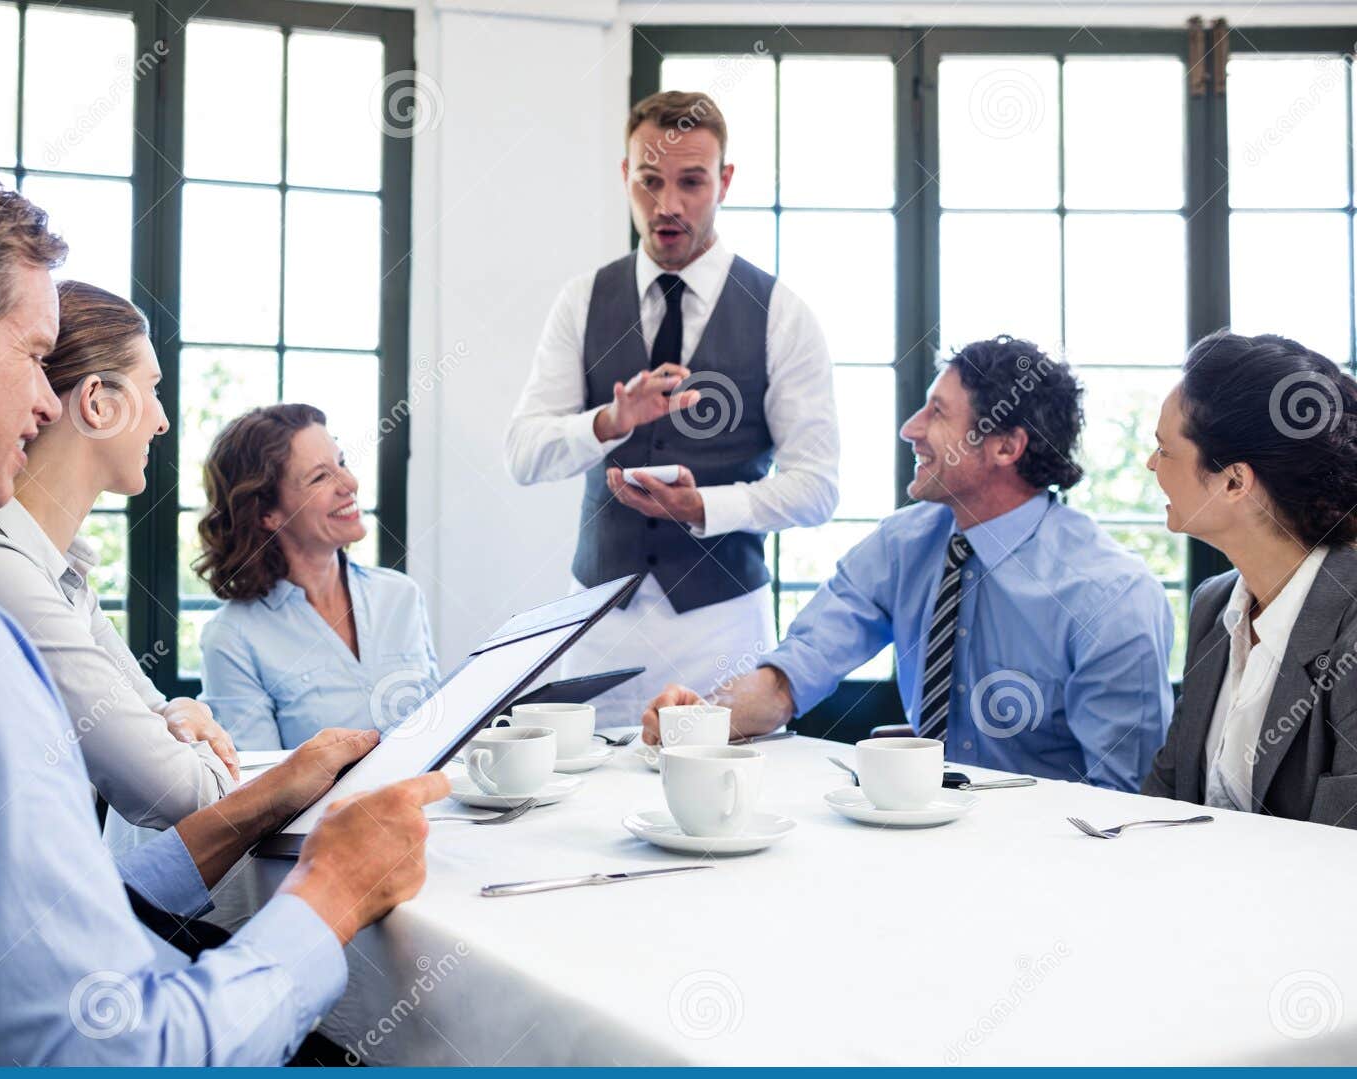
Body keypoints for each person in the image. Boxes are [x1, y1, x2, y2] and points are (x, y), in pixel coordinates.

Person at [0, 134, 447, 1066]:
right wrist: (331, 893)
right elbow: (119, 1063)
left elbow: (39, 915)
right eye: (33, 354)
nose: (47, 401)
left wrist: (269, 814)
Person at [643, 336, 1174, 793]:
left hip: (1053, 862)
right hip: (916, 834)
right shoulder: (904, 543)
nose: (910, 428)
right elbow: (793, 675)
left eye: (937, 412)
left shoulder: (1109, 595)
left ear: (1006, 447)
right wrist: (698, 720)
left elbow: (1127, 803)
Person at [504, 90, 840, 727]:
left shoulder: (783, 314)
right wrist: (609, 422)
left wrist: (707, 507)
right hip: (595, 624)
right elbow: (522, 455)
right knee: (581, 813)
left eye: (691, 182)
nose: (667, 206)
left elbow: (818, 487)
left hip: (722, 629)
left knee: (716, 811)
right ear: (624, 176)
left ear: (725, 181)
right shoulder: (581, 302)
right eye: (649, 182)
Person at [0, 281, 239, 840]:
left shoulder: (61, 576)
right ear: (98, 402)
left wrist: (178, 713)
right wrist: (182, 731)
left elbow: (158, 720)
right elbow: (188, 797)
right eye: (153, 390)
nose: (162, 421)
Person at [1142, 331, 1357, 827]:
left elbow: (1344, 851)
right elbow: (1165, 802)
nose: (1152, 464)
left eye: (1165, 450)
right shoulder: (1213, 606)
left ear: (1235, 481)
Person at [196, 403, 440, 751]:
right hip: (329, 809)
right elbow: (262, 789)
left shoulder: (400, 595)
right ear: (267, 513)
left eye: (341, 463)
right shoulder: (233, 638)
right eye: (320, 477)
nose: (350, 483)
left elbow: (440, 731)